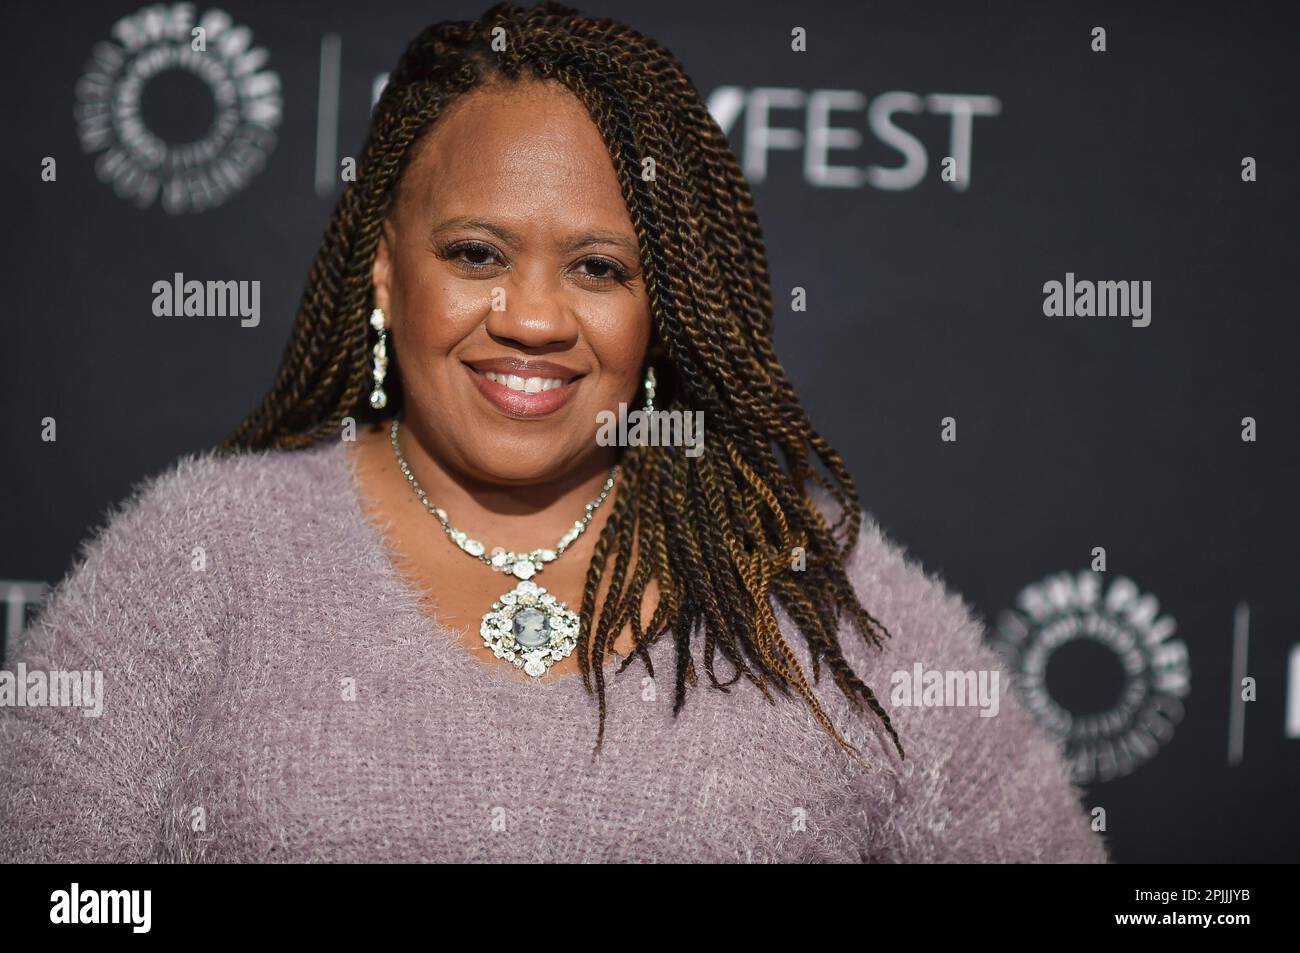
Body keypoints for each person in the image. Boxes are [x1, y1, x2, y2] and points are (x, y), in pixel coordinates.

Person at [0, 1, 1107, 863]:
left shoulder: (806, 582)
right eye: (476, 252)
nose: (532, 318)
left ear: (660, 304)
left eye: (597, 268)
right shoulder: (200, 560)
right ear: (384, 268)